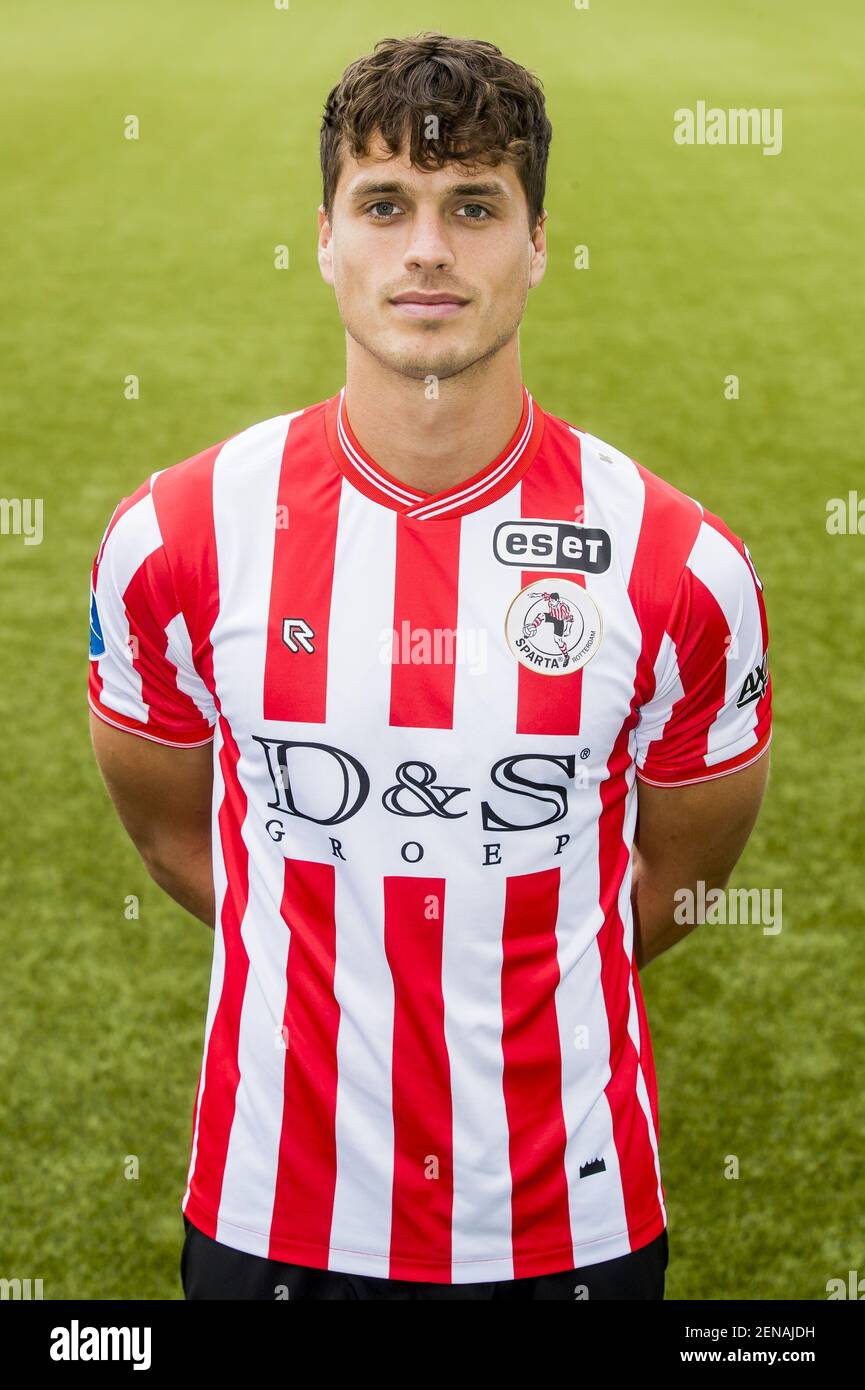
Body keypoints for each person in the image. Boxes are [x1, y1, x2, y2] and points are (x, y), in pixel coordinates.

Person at [87, 32, 772, 1301]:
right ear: (327, 237)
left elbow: (673, 883)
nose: (426, 251)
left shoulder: (677, 564)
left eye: (473, 206)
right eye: (385, 203)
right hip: (267, 1221)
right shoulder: (178, 537)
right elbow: (181, 843)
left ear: (537, 242)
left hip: (571, 1230)